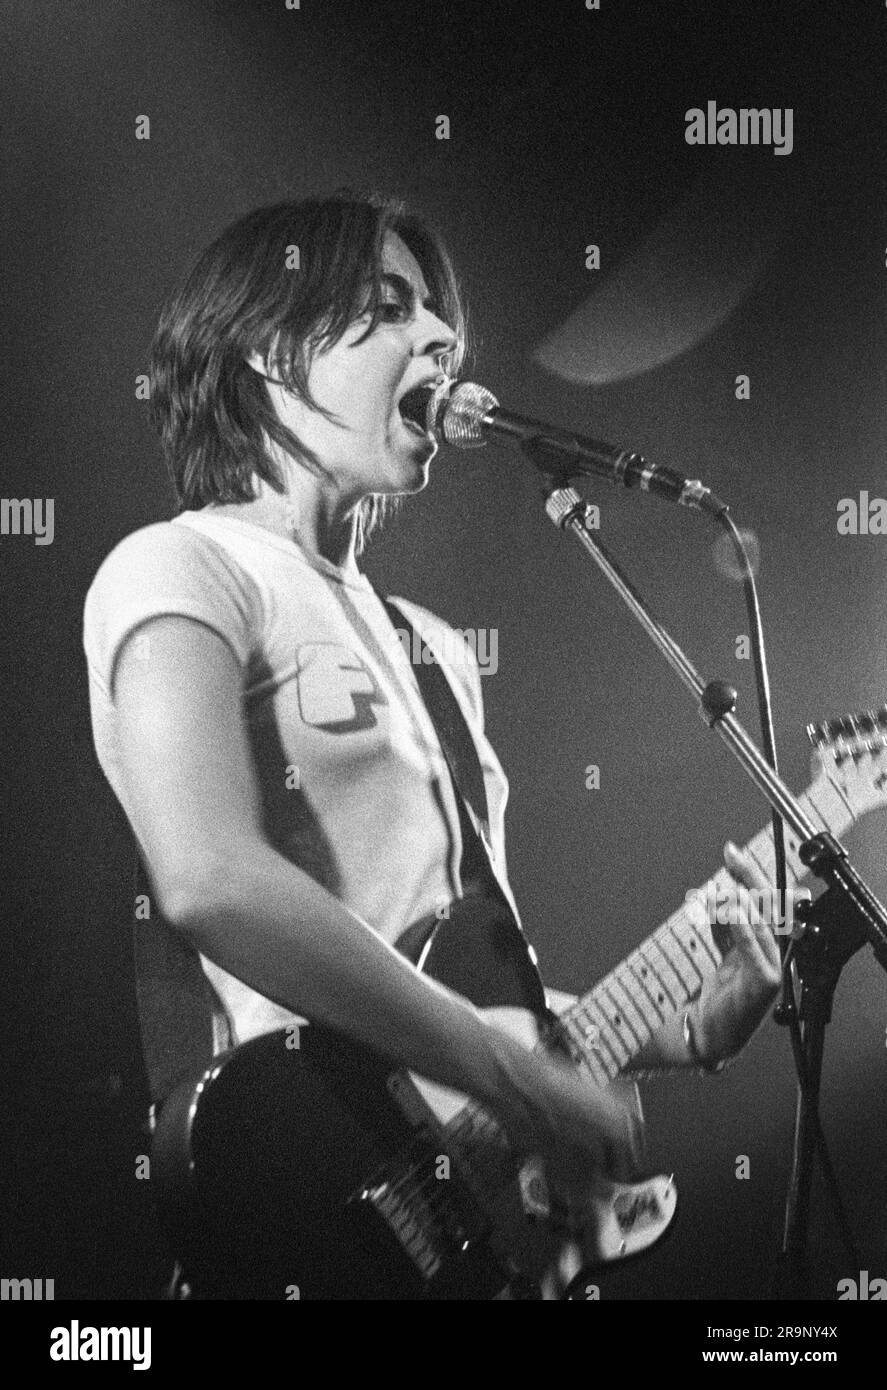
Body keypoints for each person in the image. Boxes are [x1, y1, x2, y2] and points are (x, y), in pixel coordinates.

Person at [82, 191, 781, 1297]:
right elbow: (210, 877)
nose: (443, 337)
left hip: (461, 1227)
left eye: (439, 316)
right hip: (298, 1188)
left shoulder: (438, 652)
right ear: (266, 346)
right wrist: (508, 1068)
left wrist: (685, 1025)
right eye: (387, 308)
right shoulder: (181, 569)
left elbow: (461, 979)